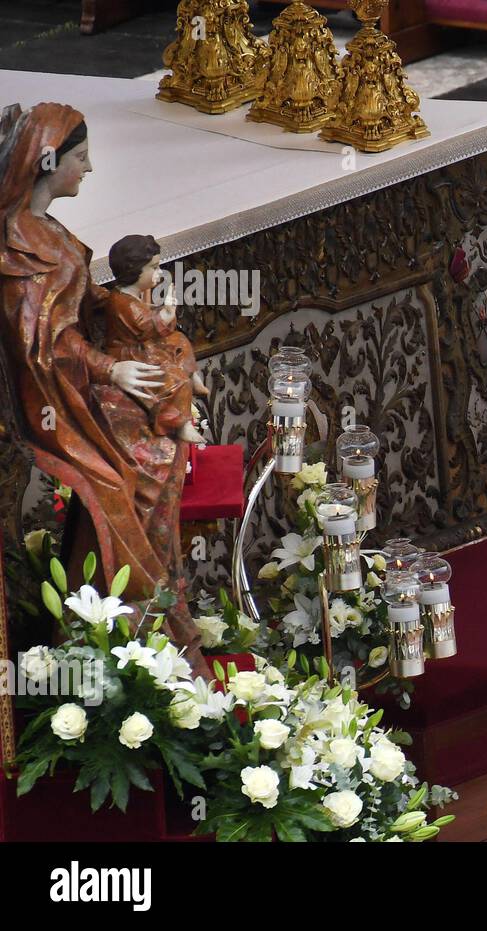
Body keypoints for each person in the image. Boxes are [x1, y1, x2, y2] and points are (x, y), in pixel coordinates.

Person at [0, 102, 207, 678]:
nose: (89, 169)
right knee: (129, 477)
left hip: (88, 382)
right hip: (56, 403)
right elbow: (41, 344)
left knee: (161, 444)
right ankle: (126, 634)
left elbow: (85, 301)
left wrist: (130, 309)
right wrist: (109, 369)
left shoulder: (48, 231)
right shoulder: (17, 249)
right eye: (81, 157)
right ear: (47, 161)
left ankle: (149, 628)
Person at [105, 234, 208, 444]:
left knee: (179, 340)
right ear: (134, 270)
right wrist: (167, 313)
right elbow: (145, 326)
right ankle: (180, 423)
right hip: (132, 352)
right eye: (154, 267)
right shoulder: (120, 301)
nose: (159, 272)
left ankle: (193, 377)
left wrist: (164, 313)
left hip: (145, 344)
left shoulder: (132, 296)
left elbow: (149, 320)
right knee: (173, 378)